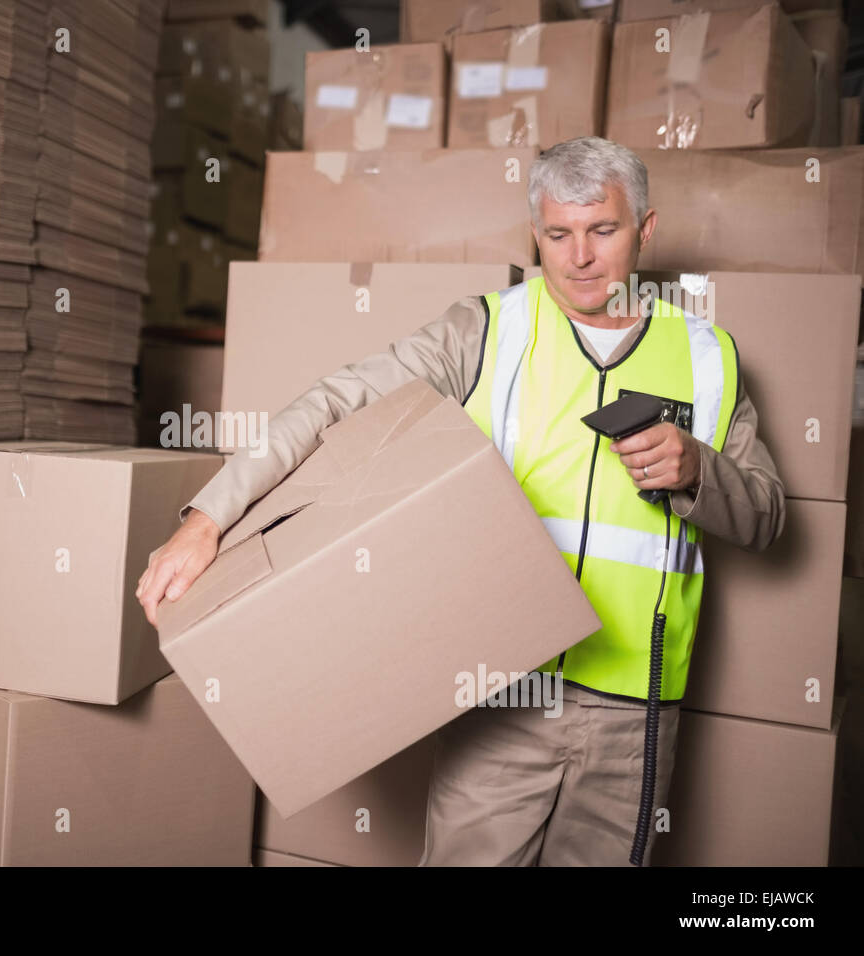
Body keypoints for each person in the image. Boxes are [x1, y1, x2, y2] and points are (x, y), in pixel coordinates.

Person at [134, 136, 786, 866]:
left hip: (637, 710)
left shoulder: (709, 356)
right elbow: (333, 403)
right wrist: (208, 517)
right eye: (556, 234)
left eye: (603, 230)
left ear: (646, 228)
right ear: (533, 234)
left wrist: (698, 468)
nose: (578, 257)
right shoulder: (487, 330)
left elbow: (767, 517)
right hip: (502, 693)